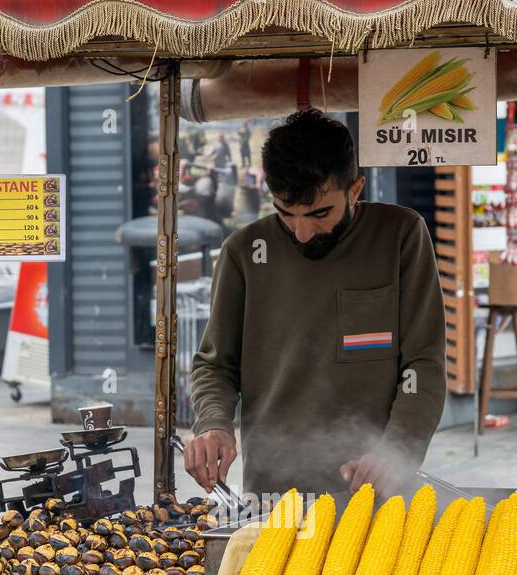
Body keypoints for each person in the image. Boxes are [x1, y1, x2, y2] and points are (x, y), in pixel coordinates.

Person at [186, 108, 447, 501]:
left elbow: (423, 362)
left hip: (376, 482)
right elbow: (215, 364)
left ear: (355, 189)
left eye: (320, 213)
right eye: (285, 213)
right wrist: (214, 424)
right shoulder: (243, 251)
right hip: (273, 491)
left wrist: (398, 449)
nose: (303, 233)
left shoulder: (400, 235)